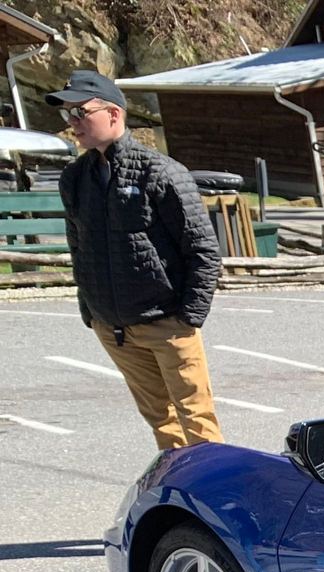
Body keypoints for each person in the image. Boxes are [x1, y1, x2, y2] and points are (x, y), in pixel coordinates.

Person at [47, 70, 222, 448]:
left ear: (113, 114)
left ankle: (214, 499)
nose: (72, 124)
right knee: (162, 423)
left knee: (198, 423)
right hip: (113, 328)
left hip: (167, 324)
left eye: (80, 112)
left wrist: (188, 318)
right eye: (68, 115)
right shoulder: (75, 177)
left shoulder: (160, 172)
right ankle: (176, 500)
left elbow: (203, 251)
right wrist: (90, 311)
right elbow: (78, 246)